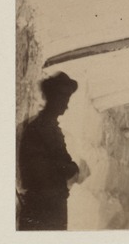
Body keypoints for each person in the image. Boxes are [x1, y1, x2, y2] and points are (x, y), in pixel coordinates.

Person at [17, 71, 89, 230]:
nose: (66, 106)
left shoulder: (46, 127)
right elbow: (62, 167)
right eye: (64, 100)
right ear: (54, 98)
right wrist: (74, 168)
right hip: (44, 208)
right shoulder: (44, 129)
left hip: (48, 205)